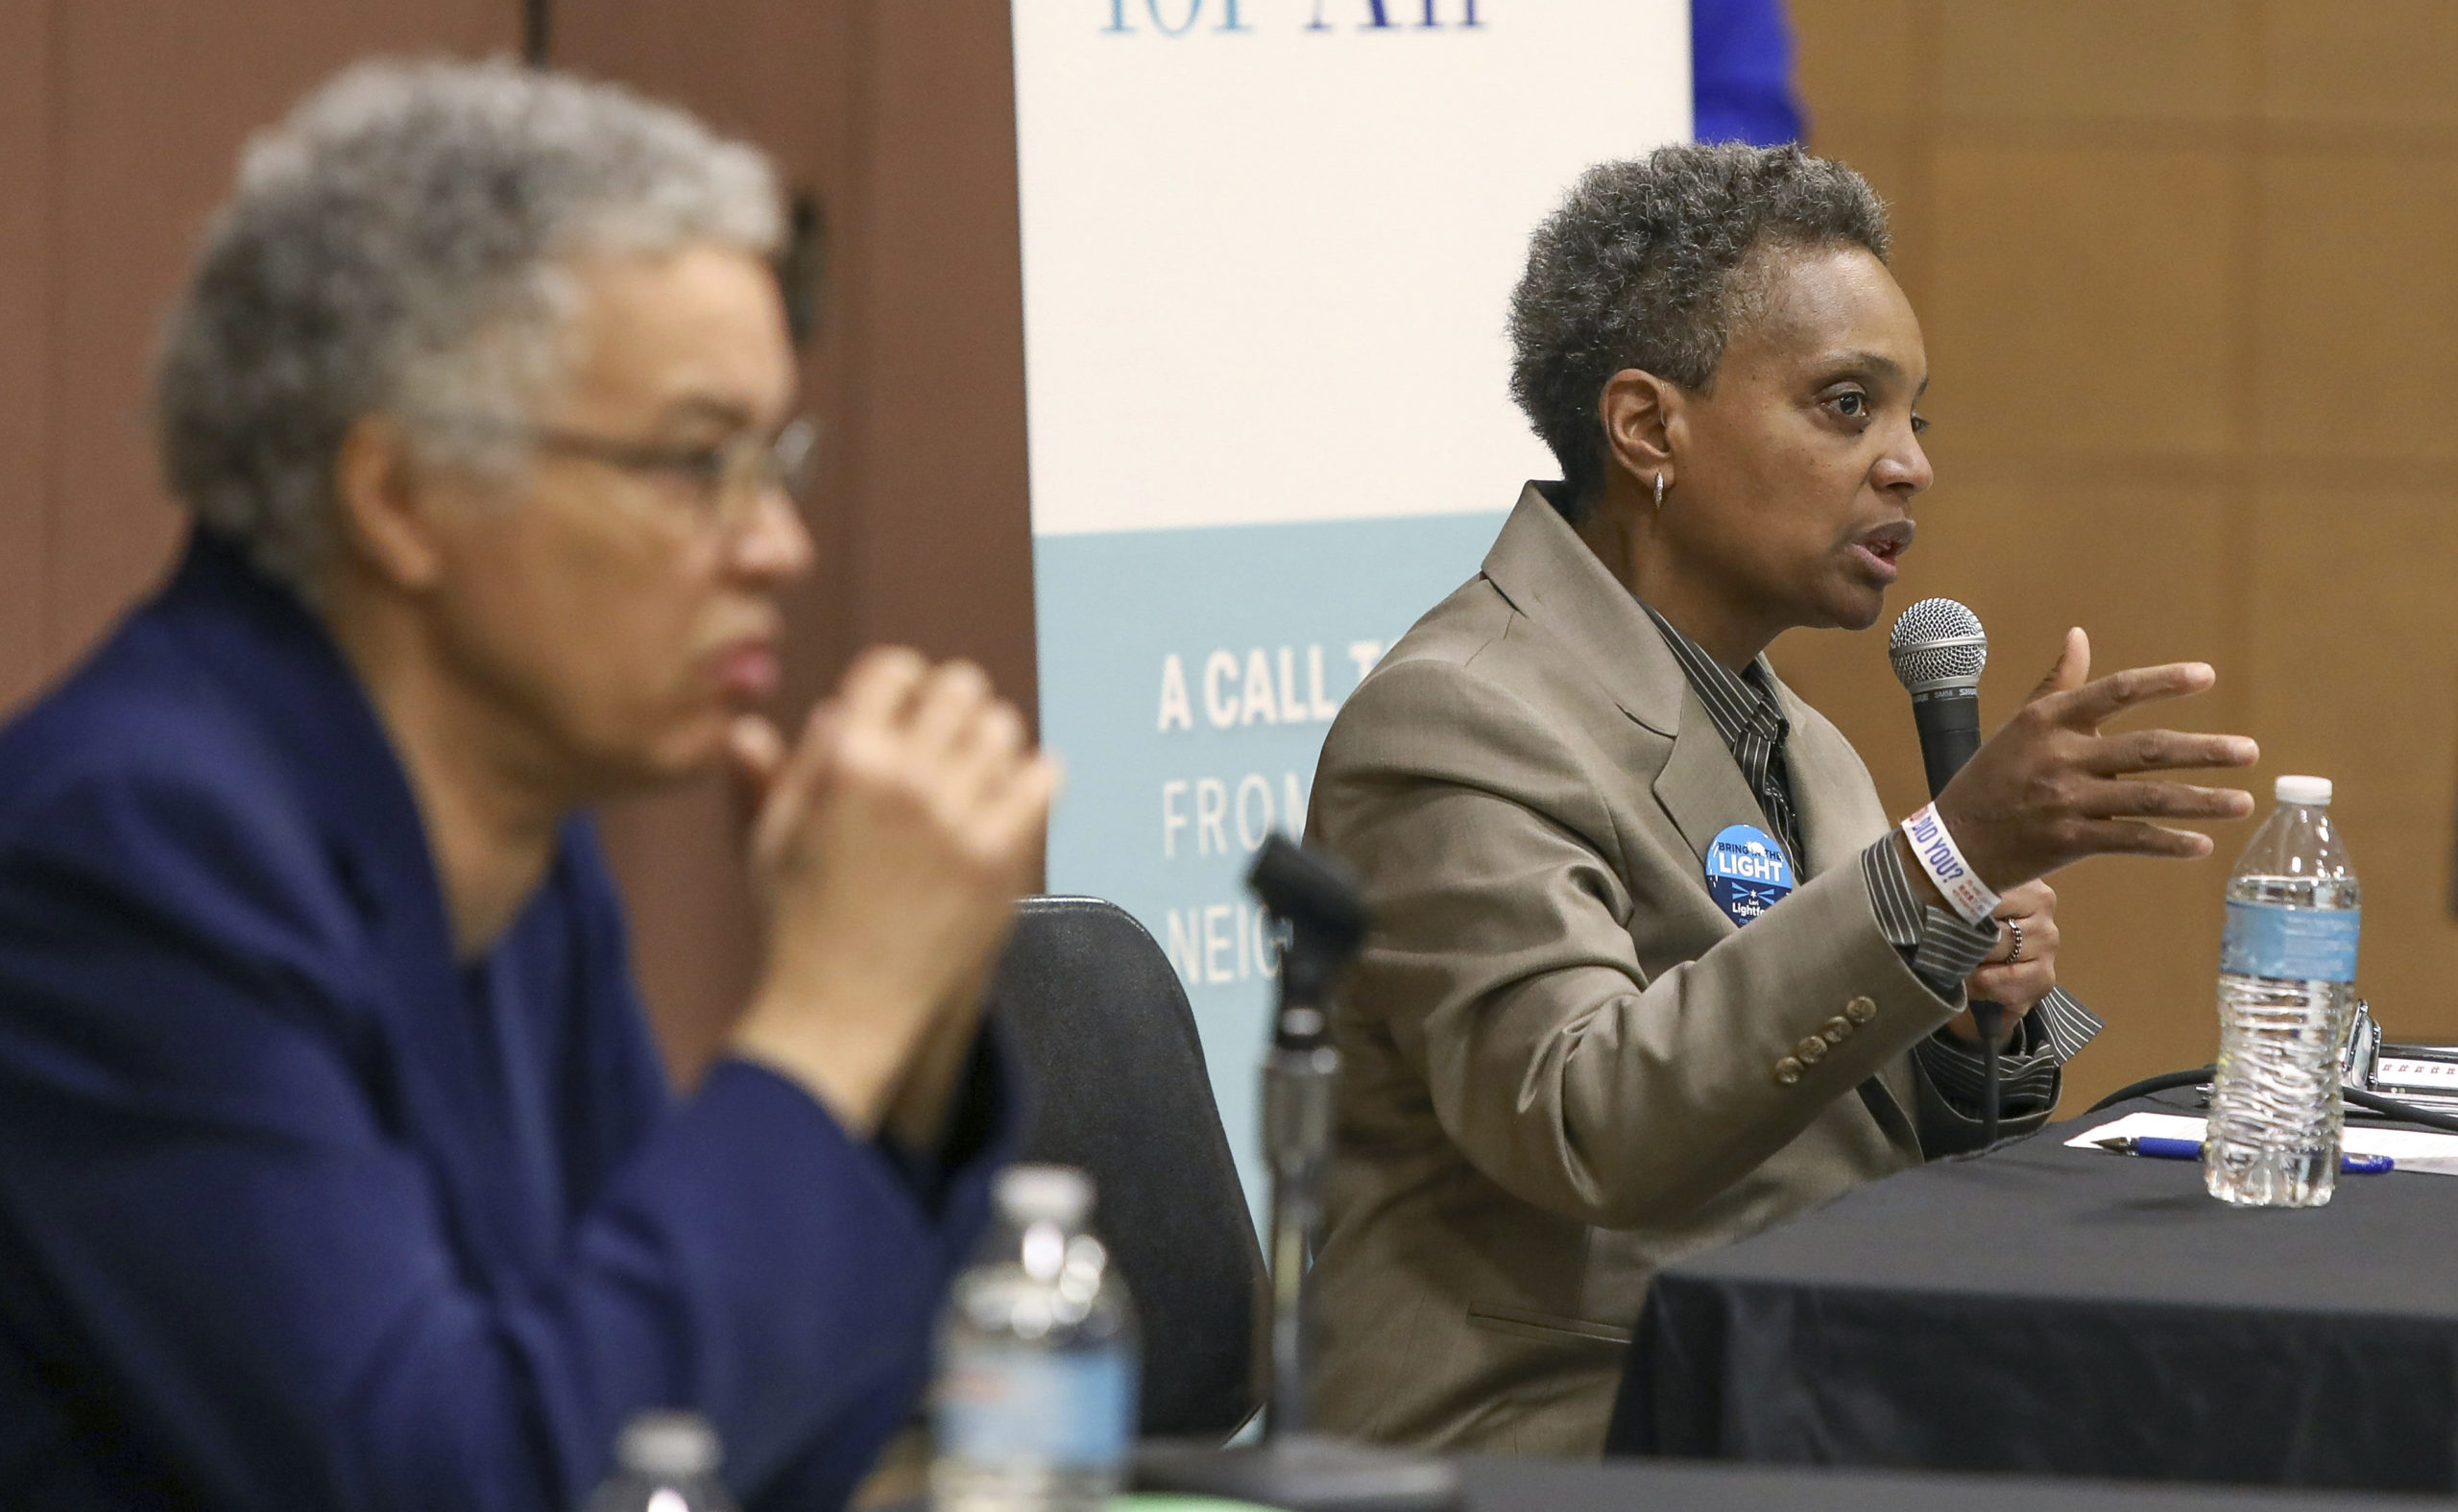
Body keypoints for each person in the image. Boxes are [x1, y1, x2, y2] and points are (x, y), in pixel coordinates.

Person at [0, 61, 1055, 1511]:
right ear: (403, 497)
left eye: (776, 465)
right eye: (698, 465)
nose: (778, 551)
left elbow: (694, 1435)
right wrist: (828, 1015)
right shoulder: (130, 854)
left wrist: (905, 1053)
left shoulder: (520, 844)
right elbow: (459, 1484)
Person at [1302, 143, 2260, 1453]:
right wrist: (1944, 860)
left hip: (1794, 1376)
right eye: (1847, 405)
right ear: (1648, 427)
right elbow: (1590, 1128)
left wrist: (1973, 1021)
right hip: (1552, 1432)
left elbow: (1834, 1124)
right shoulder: (1462, 716)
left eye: (1917, 416)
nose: (1909, 464)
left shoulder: (1798, 735)